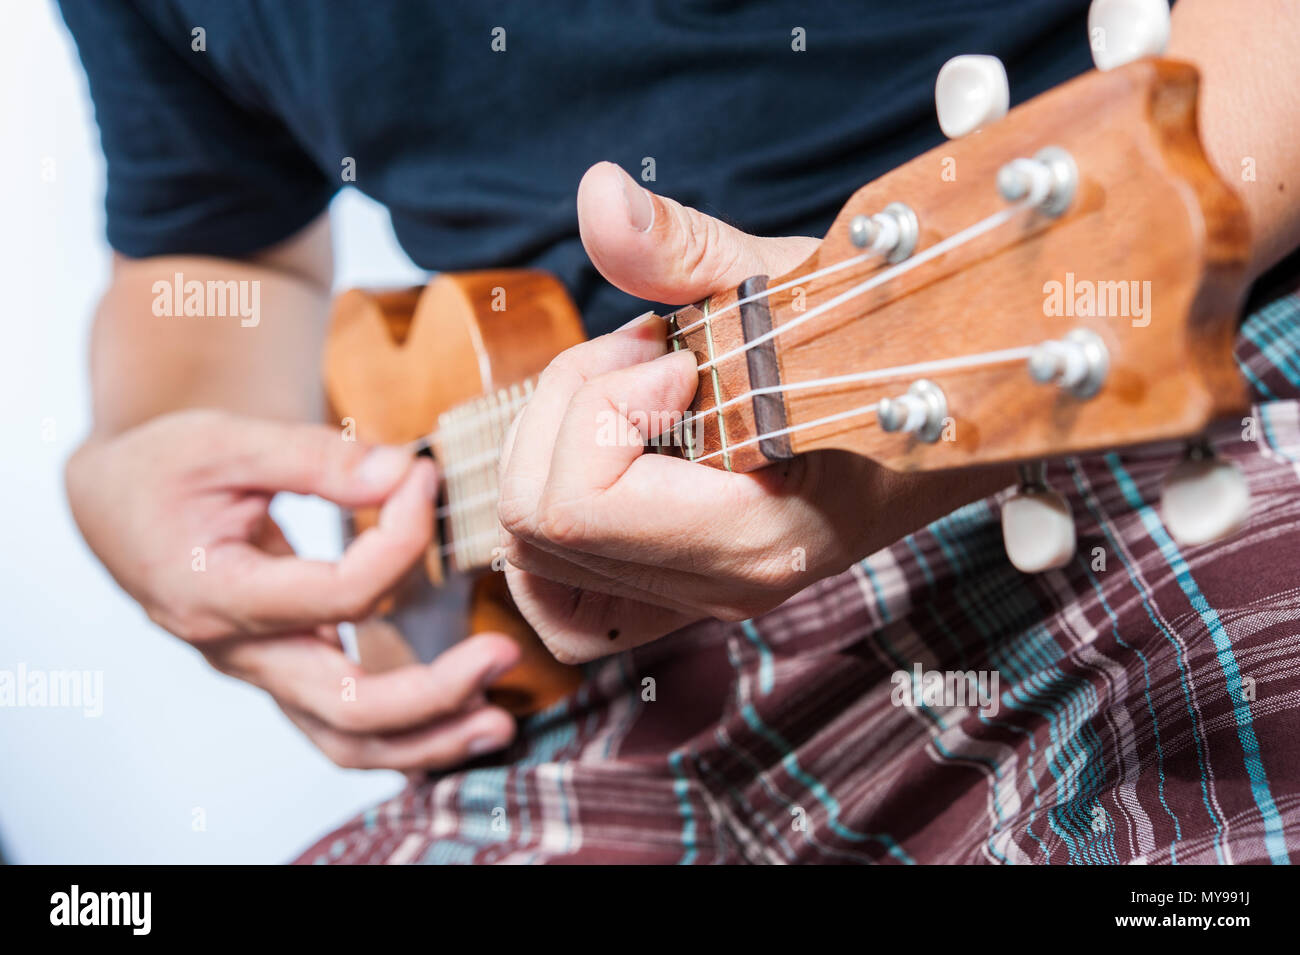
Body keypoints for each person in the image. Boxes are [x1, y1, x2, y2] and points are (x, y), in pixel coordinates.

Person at [58, 0, 1300, 863]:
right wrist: (142, 443)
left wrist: (1013, 319)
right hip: (577, 652)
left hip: (1114, 386)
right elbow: (210, 246)